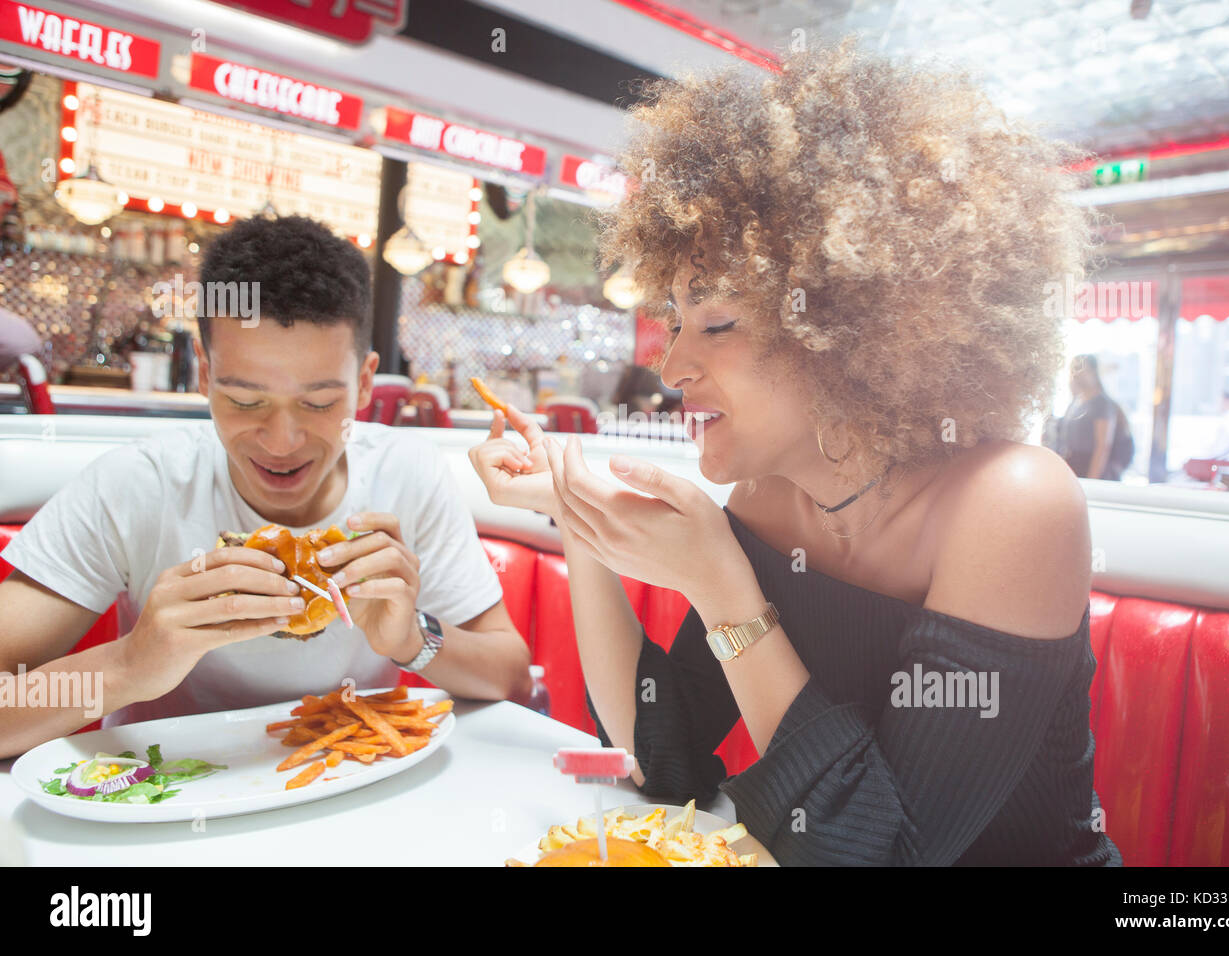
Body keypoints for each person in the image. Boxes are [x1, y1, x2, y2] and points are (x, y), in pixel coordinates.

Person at [470, 42, 1121, 866]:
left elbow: (885, 855)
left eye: (717, 323)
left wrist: (722, 588)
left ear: (853, 330)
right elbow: (661, 760)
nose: (671, 368)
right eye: (674, 323)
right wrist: (578, 516)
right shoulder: (766, 500)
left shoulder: (1014, 504)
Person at [0, 215, 532, 758]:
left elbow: (512, 677)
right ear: (205, 373)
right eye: (245, 401)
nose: (281, 442)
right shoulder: (138, 485)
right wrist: (129, 665)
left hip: (352, 792)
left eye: (320, 403)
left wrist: (412, 639)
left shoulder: (406, 475)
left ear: (366, 382)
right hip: (165, 803)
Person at [1059, 354, 1129, 481]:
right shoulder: (1076, 402)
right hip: (1074, 468)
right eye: (1074, 370)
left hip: (1090, 470)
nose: (1076, 375)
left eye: (1081, 370)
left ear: (1093, 372)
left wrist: (1092, 480)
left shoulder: (1101, 403)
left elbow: (1103, 446)